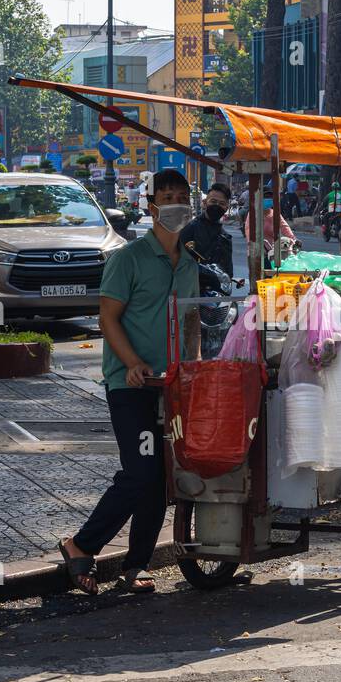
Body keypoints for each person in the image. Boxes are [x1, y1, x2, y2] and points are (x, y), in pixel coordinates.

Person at [58, 168, 200, 596]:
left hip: (171, 386)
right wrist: (134, 363)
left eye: (181, 197)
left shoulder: (190, 263)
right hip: (131, 387)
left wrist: (193, 368)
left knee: (160, 478)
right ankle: (81, 544)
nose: (175, 204)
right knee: (139, 473)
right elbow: (107, 318)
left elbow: (191, 321)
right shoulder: (128, 258)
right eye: (167, 196)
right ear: (151, 204)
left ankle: (135, 566)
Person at [179, 180, 233, 276]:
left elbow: (228, 271)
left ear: (226, 207)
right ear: (204, 203)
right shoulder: (190, 228)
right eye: (213, 201)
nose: (217, 206)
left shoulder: (225, 237)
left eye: (221, 203)